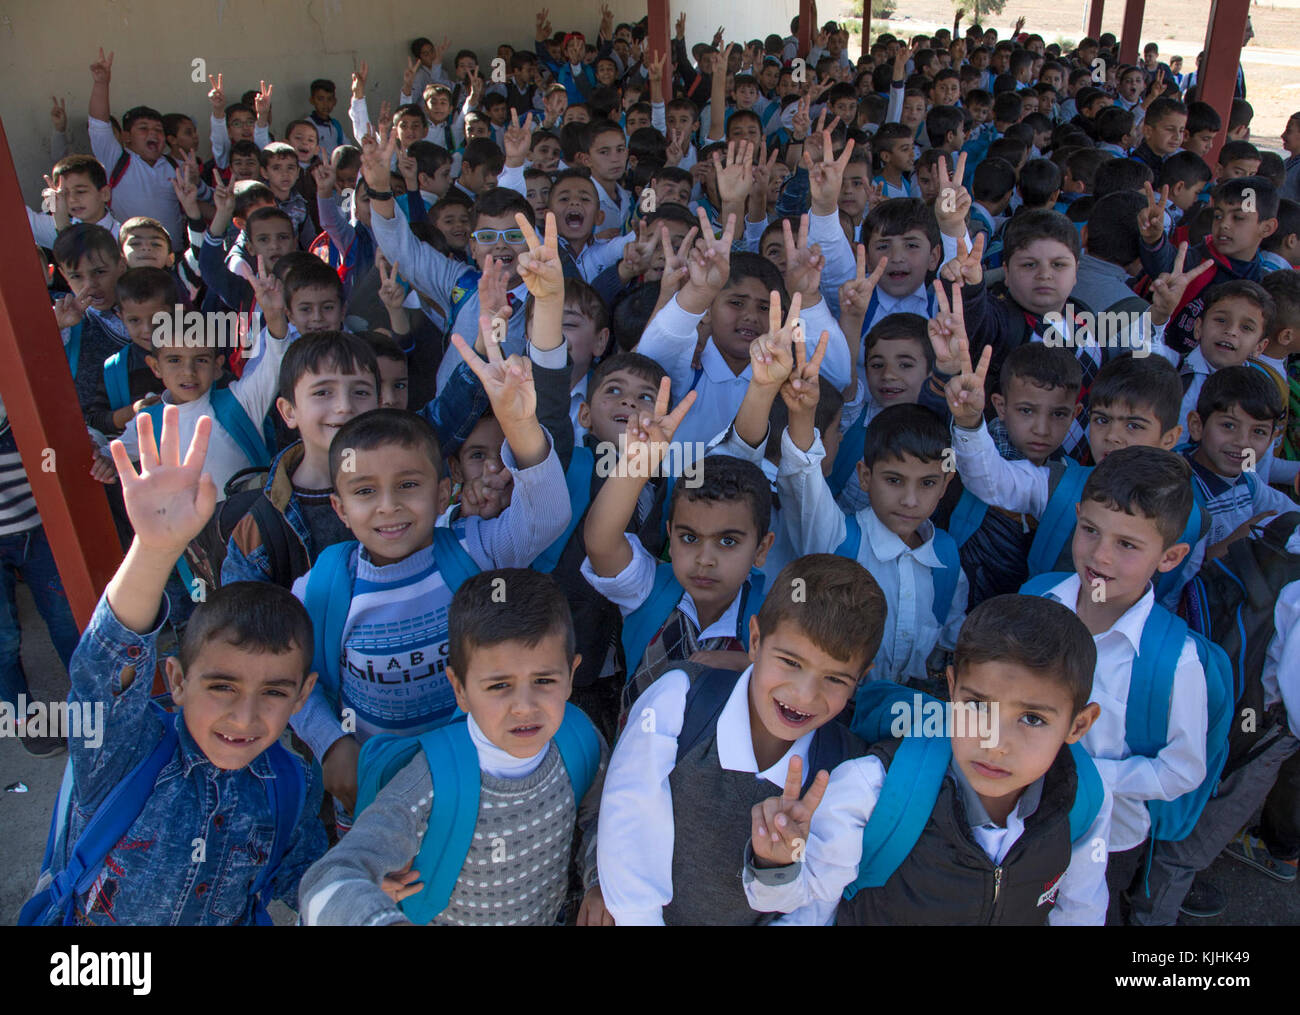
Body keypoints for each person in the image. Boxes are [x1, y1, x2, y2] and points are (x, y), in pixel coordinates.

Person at [24, 408, 326, 924]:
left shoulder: (292, 782)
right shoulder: (125, 752)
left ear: (302, 696)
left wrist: (355, 891)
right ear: (177, 681)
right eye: (222, 686)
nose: (245, 716)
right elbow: (102, 672)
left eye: (275, 692)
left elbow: (303, 874)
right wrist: (154, 550)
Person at [742, 593, 1110, 925]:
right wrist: (777, 864)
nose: (995, 743)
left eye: (1032, 719)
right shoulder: (874, 789)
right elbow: (806, 907)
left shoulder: (1084, 798)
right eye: (978, 706)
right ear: (952, 688)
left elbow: (1081, 911)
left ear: (1078, 725)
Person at [298, 568, 606, 926]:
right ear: (459, 689)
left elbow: (603, 816)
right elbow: (328, 879)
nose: (524, 706)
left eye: (544, 680)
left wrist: (600, 882)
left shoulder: (580, 740)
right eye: (499, 686)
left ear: (571, 675)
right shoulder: (429, 782)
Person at [594, 553, 885, 925]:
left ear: (861, 678)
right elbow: (626, 831)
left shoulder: (842, 771)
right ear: (756, 640)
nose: (804, 695)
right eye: (791, 662)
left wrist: (776, 865)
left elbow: (815, 902)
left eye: (835, 679)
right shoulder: (680, 702)